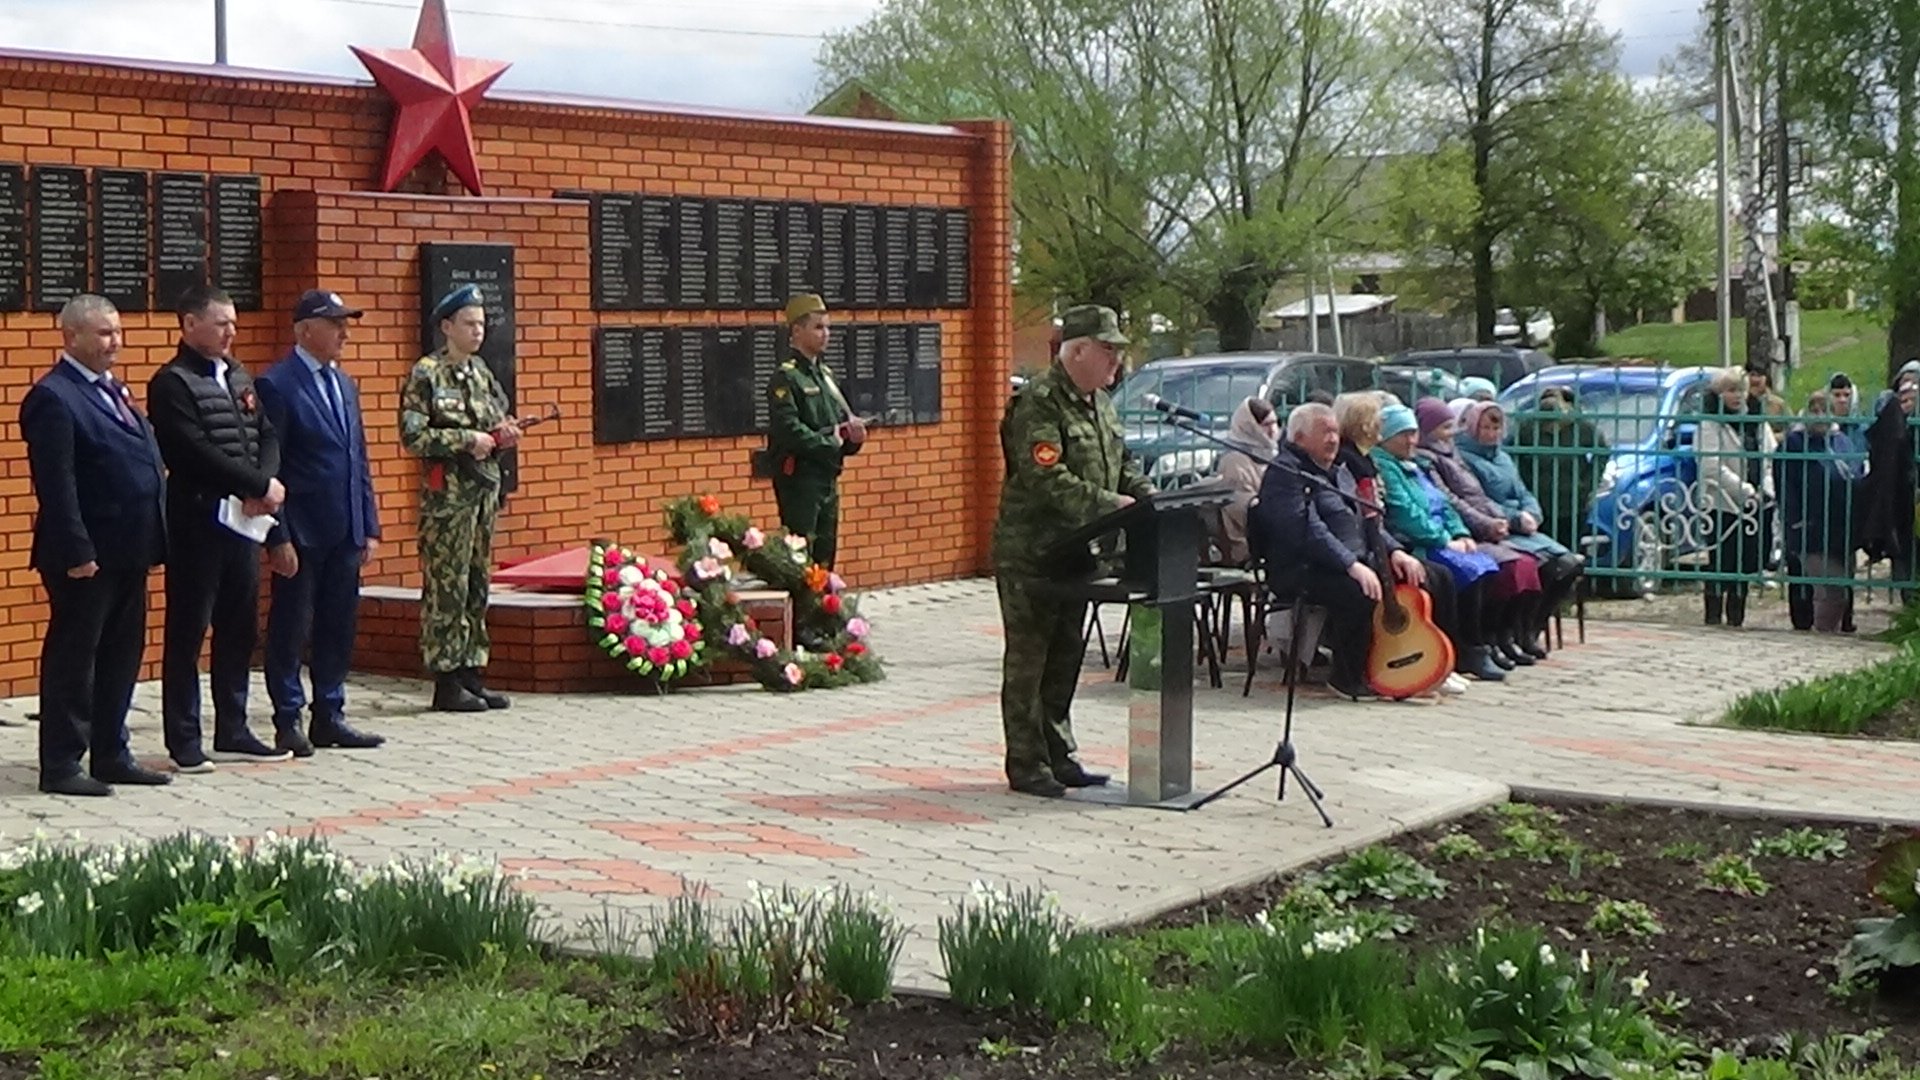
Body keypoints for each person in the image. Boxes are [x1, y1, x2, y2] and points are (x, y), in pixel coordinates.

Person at [993, 304, 1153, 797]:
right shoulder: (1040, 402)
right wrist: (1110, 504)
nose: (1116, 361)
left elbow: (1122, 463)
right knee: (1030, 660)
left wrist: (1148, 499)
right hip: (1032, 551)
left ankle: (1059, 754)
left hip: (1078, 550)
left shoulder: (1100, 402)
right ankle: (1026, 762)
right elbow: (1045, 476)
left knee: (1065, 656)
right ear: (1077, 351)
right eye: (1108, 350)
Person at [22, 296, 171, 796]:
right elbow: (57, 485)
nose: (116, 342)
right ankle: (62, 763)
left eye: (117, 332)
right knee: (76, 657)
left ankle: (111, 752)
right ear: (71, 337)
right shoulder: (55, 397)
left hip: (130, 547)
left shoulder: (114, 390)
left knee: (121, 654)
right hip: (86, 555)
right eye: (104, 333)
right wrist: (77, 550)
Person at [149, 285, 291, 769]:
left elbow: (264, 433)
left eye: (233, 322)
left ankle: (233, 727)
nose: (231, 331)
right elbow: (191, 450)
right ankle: (184, 739)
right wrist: (255, 484)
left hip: (243, 525)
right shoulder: (171, 383)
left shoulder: (238, 375)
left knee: (239, 628)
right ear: (189, 325)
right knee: (188, 633)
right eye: (220, 322)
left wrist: (265, 481)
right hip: (197, 521)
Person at [256, 290, 387, 755]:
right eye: (334, 324)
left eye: (345, 323)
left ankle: (329, 713)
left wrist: (368, 523)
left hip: (344, 528)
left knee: (338, 624)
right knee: (292, 626)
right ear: (304, 330)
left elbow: (358, 458)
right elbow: (273, 466)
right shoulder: (278, 385)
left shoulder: (344, 384)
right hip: (303, 531)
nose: (344, 333)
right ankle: (287, 715)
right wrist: (280, 535)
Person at [1251, 402, 1427, 702]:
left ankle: (1418, 665)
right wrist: (1350, 565)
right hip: (1302, 568)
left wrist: (1394, 551)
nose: (1334, 439)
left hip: (1347, 559)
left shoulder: (1338, 472)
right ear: (1299, 438)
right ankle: (1347, 676)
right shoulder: (1285, 473)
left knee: (1426, 575)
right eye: (1325, 432)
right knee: (1359, 592)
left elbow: (1365, 520)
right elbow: (1306, 530)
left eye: (1335, 431)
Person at [401, 283, 519, 713]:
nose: (477, 331)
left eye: (482, 324)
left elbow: (497, 417)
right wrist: (466, 439)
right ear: (447, 326)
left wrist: (502, 434)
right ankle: (446, 679)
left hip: (482, 494)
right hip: (447, 500)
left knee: (476, 584)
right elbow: (414, 436)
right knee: (446, 588)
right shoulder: (426, 374)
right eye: (469, 324)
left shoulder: (481, 372)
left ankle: (473, 672)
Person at [1333, 391, 1472, 692]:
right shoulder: (1349, 463)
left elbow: (1374, 519)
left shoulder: (1365, 460)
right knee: (1429, 577)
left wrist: (1393, 550)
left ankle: (1442, 659)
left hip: (1378, 542)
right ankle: (1415, 659)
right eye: (1375, 422)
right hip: (1358, 549)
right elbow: (1360, 520)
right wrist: (1391, 550)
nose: (1380, 429)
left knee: (1442, 578)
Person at [1369, 404, 1505, 683]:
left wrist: (1460, 533)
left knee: (1488, 567)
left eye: (1413, 433)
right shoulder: (1385, 465)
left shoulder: (1416, 464)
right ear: (1386, 438)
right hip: (1418, 542)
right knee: (1465, 573)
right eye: (1402, 434)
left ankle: (1479, 644)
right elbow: (1406, 514)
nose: (1410, 441)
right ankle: (1464, 649)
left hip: (1443, 538)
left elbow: (1445, 504)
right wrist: (1444, 540)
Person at [1412, 398, 1545, 667]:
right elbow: (1448, 500)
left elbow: (1476, 497)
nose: (1452, 433)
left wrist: (1511, 517)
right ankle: (1476, 645)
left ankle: (1513, 635)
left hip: (1477, 527)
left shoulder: (1455, 455)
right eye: (1445, 427)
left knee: (1553, 564)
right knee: (1491, 569)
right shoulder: (1427, 460)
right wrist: (1482, 526)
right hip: (1447, 536)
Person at [1456, 400, 1585, 649]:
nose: (1491, 434)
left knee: (1569, 565)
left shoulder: (1503, 458)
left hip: (1522, 526)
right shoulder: (1466, 459)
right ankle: (1514, 631)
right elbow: (1480, 500)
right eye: (1485, 428)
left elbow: (1522, 491)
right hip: (1498, 527)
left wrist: (1532, 513)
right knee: (1542, 566)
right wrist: (1514, 518)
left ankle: (1533, 626)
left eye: (1496, 429)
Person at [765, 293, 865, 569]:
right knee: (801, 556)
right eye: (818, 327)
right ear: (797, 330)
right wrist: (831, 444)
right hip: (800, 480)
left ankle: (824, 609)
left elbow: (837, 424)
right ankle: (803, 612)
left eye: (828, 327)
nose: (826, 334)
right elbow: (789, 429)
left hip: (827, 477)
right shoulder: (786, 377)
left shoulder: (827, 377)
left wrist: (852, 440)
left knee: (825, 555)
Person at [1776, 389, 1859, 632]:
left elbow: (1856, 474)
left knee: (1839, 588)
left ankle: (1828, 632)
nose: (1820, 416)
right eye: (1815, 410)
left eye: (1825, 410)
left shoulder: (1841, 441)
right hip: (1807, 526)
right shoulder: (1793, 443)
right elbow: (1786, 486)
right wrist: (1795, 521)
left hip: (1840, 526)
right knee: (1827, 588)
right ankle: (1820, 635)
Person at [1697, 368, 1774, 627]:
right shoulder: (1709, 424)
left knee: (1744, 563)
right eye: (1730, 391)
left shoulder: (1756, 422)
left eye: (1740, 390)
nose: (1737, 396)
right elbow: (1710, 466)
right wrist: (1743, 489)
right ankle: (1713, 616)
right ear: (1718, 395)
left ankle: (1736, 618)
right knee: (1721, 561)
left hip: (1754, 504)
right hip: (1721, 505)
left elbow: (1771, 459)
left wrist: (1764, 488)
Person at [1511, 387, 1606, 554]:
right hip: (1537, 499)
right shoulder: (1527, 427)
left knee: (1569, 548)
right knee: (1539, 549)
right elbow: (1511, 451)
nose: (1551, 428)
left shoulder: (1582, 427)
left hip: (1572, 499)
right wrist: (1523, 479)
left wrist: (1588, 483)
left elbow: (1602, 452)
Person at [1860, 369, 1919, 603]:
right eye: (1903, 400)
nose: (1907, 406)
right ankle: (1909, 600)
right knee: (1905, 552)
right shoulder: (1891, 425)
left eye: (1912, 400)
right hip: (1900, 501)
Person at [1214, 397, 1278, 566]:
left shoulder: (1272, 453)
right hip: (1248, 541)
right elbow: (1243, 510)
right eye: (1266, 425)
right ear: (1250, 427)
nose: (1273, 431)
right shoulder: (1234, 460)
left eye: (1274, 423)